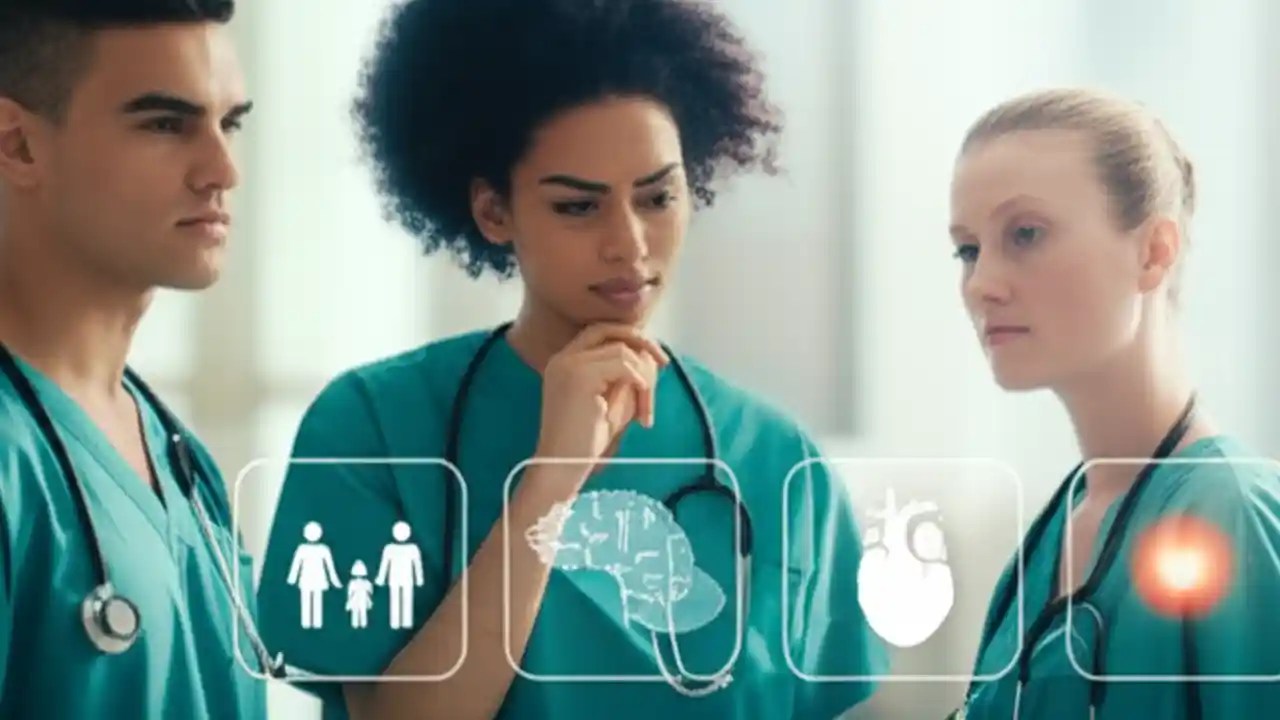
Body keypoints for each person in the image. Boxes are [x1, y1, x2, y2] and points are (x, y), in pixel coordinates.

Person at [255, 0, 886, 718]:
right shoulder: (372, 428)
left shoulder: (777, 460)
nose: (630, 244)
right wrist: (551, 480)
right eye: (579, 207)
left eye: (658, 197)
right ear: (495, 212)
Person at [946, 87, 1280, 719]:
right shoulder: (1048, 540)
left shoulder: (1236, 516)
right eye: (968, 249)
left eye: (1026, 234)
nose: (981, 283)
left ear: (1154, 252)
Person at [0, 1, 264, 718]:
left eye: (231, 124)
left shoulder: (183, 462)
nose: (222, 170)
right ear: (18, 146)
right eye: (165, 124)